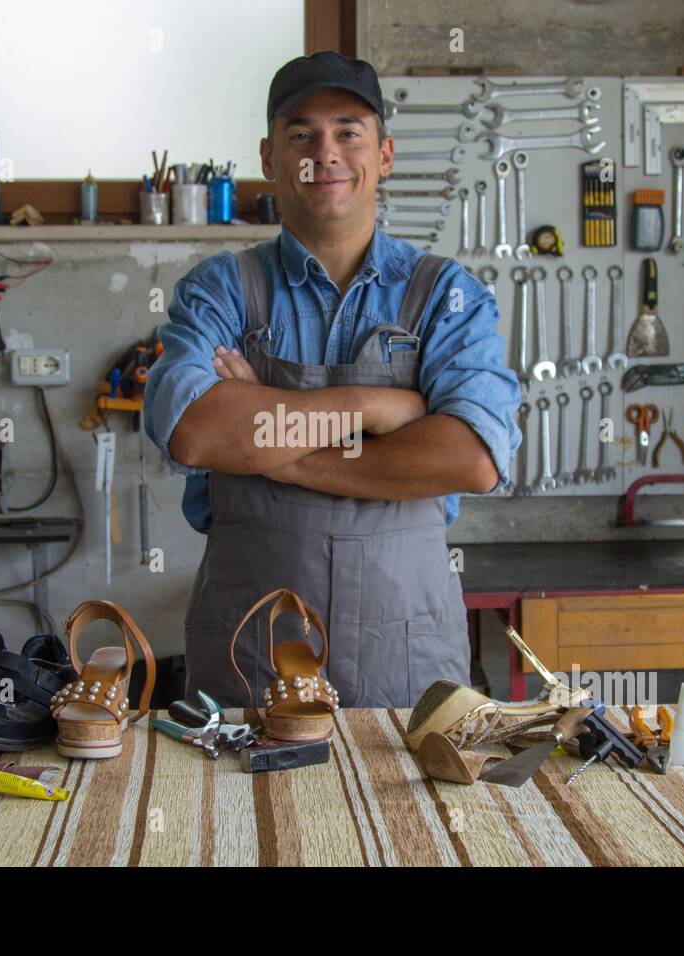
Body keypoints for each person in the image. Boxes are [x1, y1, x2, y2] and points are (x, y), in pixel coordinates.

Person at [145, 50, 521, 708]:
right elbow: (196, 432)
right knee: (246, 814)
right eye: (301, 134)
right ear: (269, 158)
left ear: (385, 154)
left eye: (349, 131)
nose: (326, 151)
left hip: (407, 658)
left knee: (409, 815)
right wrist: (375, 406)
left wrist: (273, 455)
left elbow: (473, 457)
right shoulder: (220, 291)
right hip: (250, 656)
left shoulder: (446, 296)